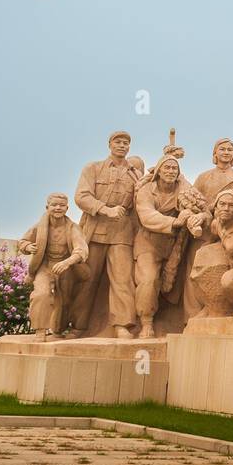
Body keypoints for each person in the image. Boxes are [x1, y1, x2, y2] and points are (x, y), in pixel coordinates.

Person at [73, 131, 145, 338]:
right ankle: (78, 325)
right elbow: (81, 197)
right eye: (118, 142)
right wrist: (105, 209)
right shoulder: (93, 168)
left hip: (122, 234)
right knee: (87, 279)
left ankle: (122, 324)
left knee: (122, 279)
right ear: (110, 144)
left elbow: (150, 193)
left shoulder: (136, 175)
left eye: (126, 143)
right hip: (94, 231)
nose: (122, 146)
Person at [133, 154, 204, 337]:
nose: (171, 171)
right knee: (148, 280)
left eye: (174, 168)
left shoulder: (183, 188)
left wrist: (195, 215)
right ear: (158, 171)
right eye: (167, 168)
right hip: (149, 242)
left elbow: (197, 202)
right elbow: (147, 215)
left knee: (177, 280)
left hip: (174, 244)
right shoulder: (147, 190)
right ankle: (146, 322)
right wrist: (174, 222)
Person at [183, 138, 233, 318]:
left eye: (230, 149)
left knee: (224, 269)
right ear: (215, 153)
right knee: (194, 270)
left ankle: (220, 307)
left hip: (230, 231)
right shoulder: (204, 177)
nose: (226, 152)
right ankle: (192, 314)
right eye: (222, 149)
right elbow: (194, 200)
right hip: (206, 229)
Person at [18, 193, 89, 337]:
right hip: (44, 267)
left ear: (67, 208)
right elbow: (22, 242)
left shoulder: (73, 228)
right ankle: (40, 331)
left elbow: (81, 250)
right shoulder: (39, 227)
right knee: (41, 294)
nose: (58, 208)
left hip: (65, 268)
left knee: (64, 301)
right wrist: (27, 247)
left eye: (62, 205)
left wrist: (67, 262)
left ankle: (58, 329)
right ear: (47, 207)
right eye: (54, 205)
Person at [189, 188, 233, 318]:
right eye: (222, 204)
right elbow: (213, 233)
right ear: (216, 206)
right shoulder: (219, 221)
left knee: (229, 280)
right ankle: (210, 307)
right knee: (203, 255)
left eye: (231, 205)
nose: (226, 208)